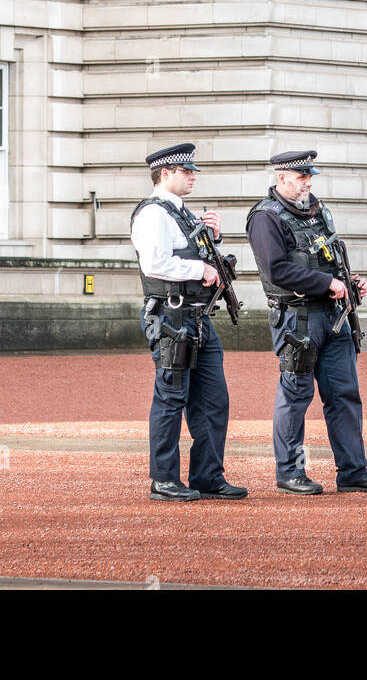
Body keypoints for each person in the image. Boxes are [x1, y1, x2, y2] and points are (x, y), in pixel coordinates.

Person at [246, 149, 367, 495]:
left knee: (344, 395)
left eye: (309, 177)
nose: (307, 183)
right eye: (301, 177)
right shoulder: (265, 217)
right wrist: (327, 284)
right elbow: (276, 269)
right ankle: (290, 473)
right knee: (296, 394)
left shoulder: (318, 210)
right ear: (281, 177)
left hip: (334, 317)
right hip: (297, 319)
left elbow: (329, 256)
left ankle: (353, 471)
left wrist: (348, 281)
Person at [130, 142, 247, 502]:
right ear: (166, 174)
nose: (193, 176)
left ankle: (208, 476)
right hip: (170, 316)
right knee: (170, 398)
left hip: (197, 318)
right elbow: (155, 264)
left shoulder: (183, 213)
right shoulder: (153, 214)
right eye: (186, 171)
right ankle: (164, 479)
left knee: (213, 400)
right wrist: (201, 268)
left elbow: (201, 259)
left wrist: (213, 238)